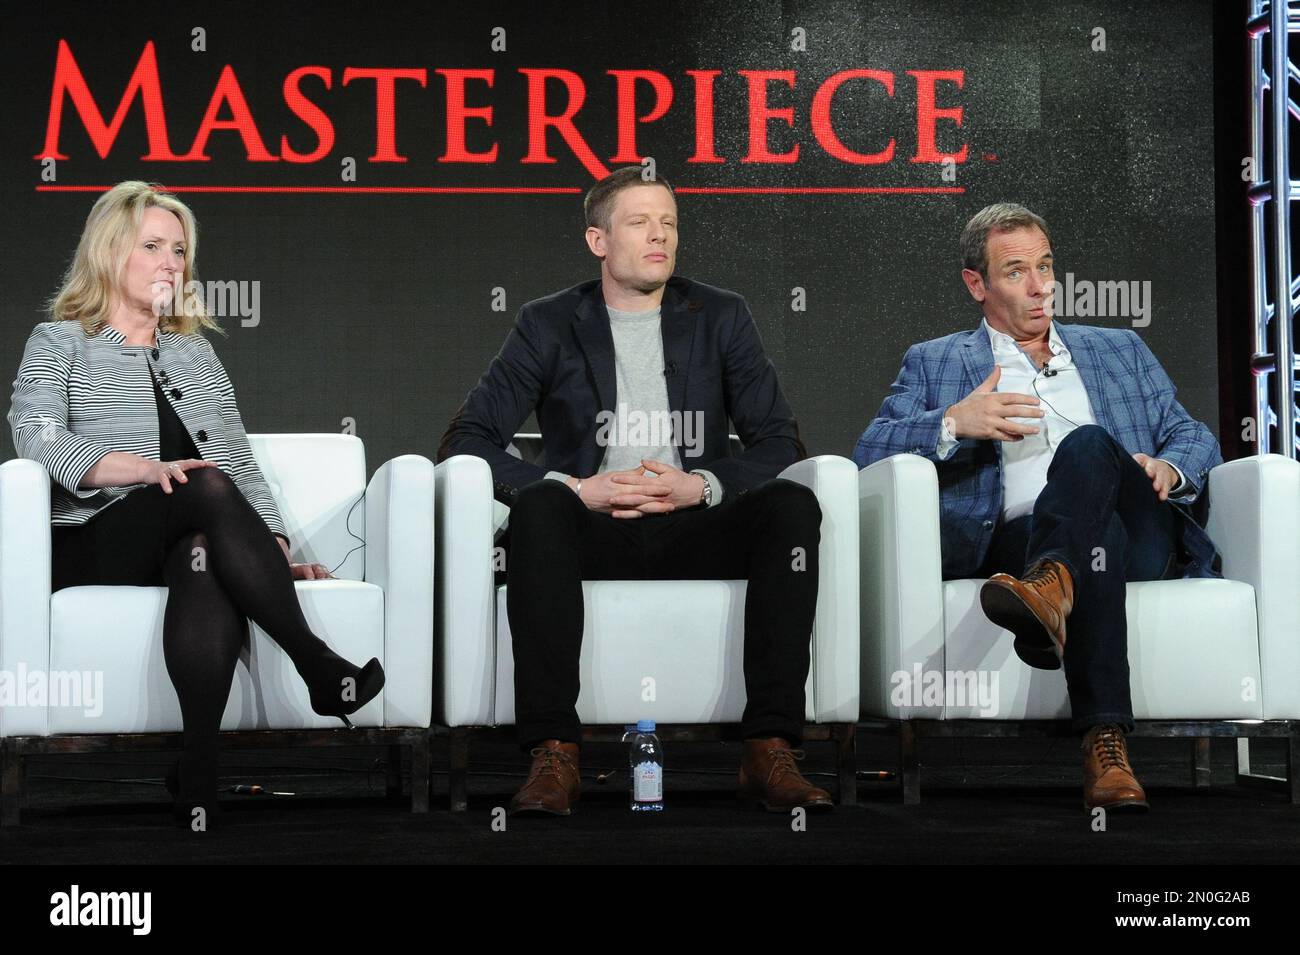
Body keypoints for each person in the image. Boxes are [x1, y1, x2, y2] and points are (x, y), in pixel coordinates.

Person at [439, 166, 829, 815]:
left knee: (793, 504)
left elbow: (779, 443)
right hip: (593, 530)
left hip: (693, 527)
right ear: (598, 240)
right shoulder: (549, 322)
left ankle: (768, 748)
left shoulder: (721, 315)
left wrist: (700, 485)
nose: (660, 236)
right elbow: (466, 439)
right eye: (640, 222)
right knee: (539, 506)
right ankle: (554, 753)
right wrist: (574, 488)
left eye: (669, 223)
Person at [8, 181, 384, 828]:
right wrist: (143, 469)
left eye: (178, 251)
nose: (170, 264)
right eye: (152, 246)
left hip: (183, 536)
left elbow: (239, 463)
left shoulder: (195, 353)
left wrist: (271, 551)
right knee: (201, 484)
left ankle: (200, 776)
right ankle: (316, 662)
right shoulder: (60, 340)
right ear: (109, 252)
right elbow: (36, 435)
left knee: (206, 547)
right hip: (98, 539)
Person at [853, 202, 1222, 812]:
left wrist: (1169, 467)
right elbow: (869, 450)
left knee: (1087, 446)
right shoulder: (937, 360)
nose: (1041, 286)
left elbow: (1194, 435)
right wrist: (953, 421)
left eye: (1046, 267)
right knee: (1092, 542)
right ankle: (1104, 741)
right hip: (1013, 539)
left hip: (1144, 532)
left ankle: (1049, 585)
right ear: (977, 284)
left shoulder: (1118, 350)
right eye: (1016, 271)